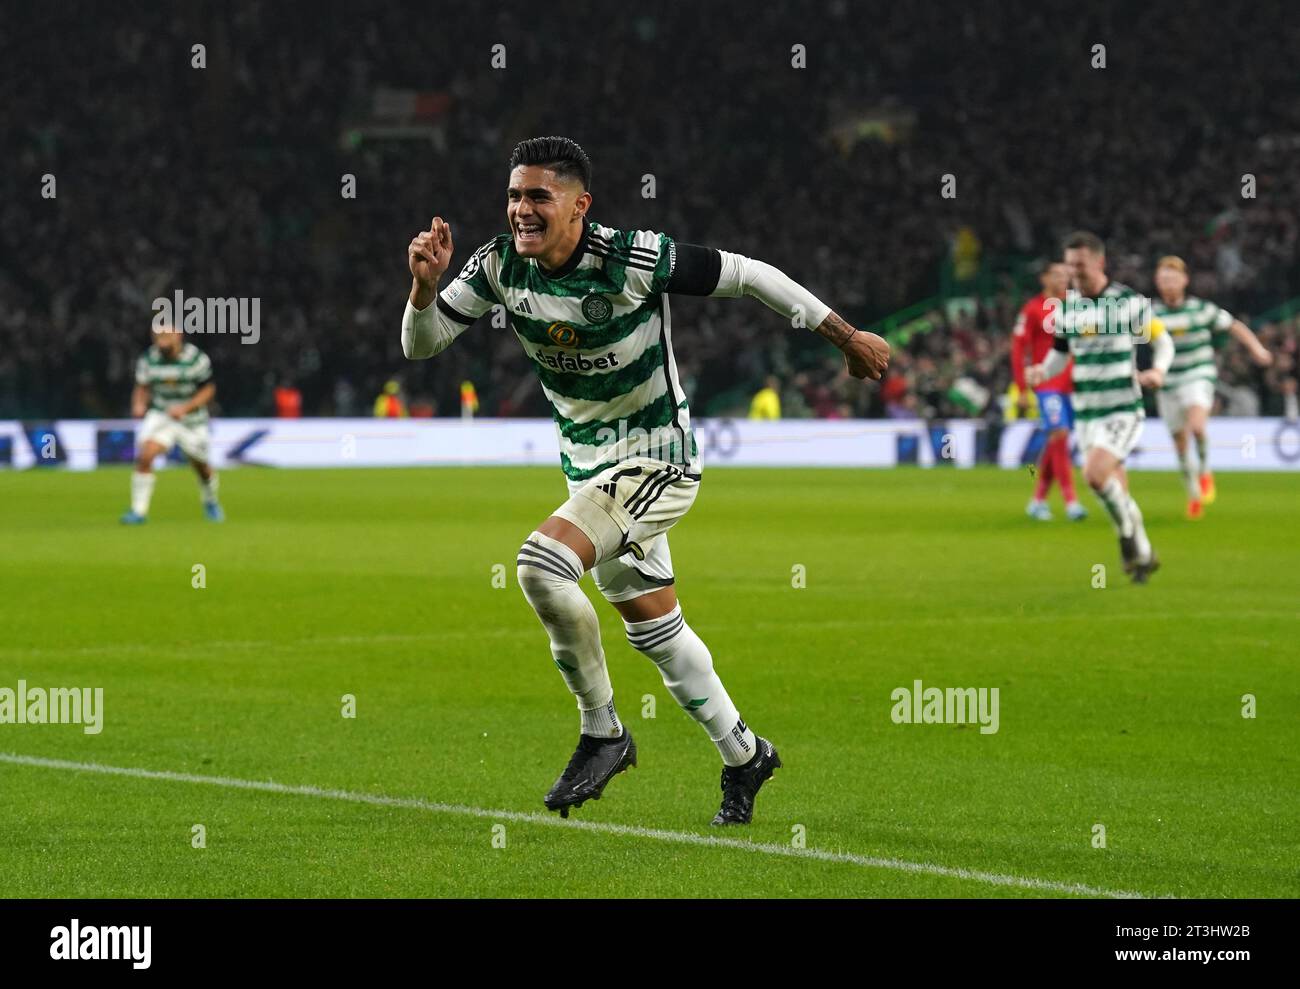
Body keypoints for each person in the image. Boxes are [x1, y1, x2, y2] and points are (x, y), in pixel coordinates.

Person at [400, 136, 889, 823]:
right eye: (514, 195)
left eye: (539, 196)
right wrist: (423, 290)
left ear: (579, 204)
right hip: (590, 474)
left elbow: (746, 273)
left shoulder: (629, 258)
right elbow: (420, 344)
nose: (521, 210)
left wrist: (843, 333)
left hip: (658, 461)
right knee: (656, 629)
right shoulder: (497, 265)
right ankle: (746, 754)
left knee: (542, 566)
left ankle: (603, 731)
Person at [1027, 232, 1172, 583]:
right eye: (1069, 265)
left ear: (1099, 262)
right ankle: (1143, 550)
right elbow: (1061, 355)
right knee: (1109, 485)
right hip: (1087, 412)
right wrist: (1042, 370)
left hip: (1122, 408)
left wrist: (1158, 369)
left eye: (1080, 265)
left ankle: (1126, 538)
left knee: (1094, 473)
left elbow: (1162, 339)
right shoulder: (1067, 309)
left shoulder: (1128, 302)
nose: (1073, 272)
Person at [1150, 256, 1272, 519]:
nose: (1168, 284)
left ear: (1184, 280)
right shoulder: (1150, 314)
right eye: (1163, 279)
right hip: (1167, 382)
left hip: (1197, 374)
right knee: (1180, 444)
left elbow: (1234, 326)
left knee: (1197, 426)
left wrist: (1257, 349)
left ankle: (1205, 469)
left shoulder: (1201, 309)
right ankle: (1193, 494)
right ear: (1157, 283)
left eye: (1172, 278)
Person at [121, 326, 223, 524]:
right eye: (157, 336)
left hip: (191, 419)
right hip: (162, 415)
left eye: (166, 335)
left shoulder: (196, 359)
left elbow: (208, 390)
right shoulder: (148, 359)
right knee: (146, 455)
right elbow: (142, 387)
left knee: (201, 466)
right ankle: (138, 511)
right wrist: (138, 404)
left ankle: (210, 501)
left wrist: (186, 408)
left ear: (178, 335)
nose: (161, 340)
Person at [1011, 262, 1085, 521]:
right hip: (1047, 384)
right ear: (1044, 278)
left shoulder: (1077, 307)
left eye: (1067, 274)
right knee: (1060, 434)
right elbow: (1019, 348)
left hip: (1074, 384)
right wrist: (1022, 387)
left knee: (1058, 441)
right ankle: (1071, 501)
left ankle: (1038, 500)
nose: (1063, 279)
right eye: (1056, 274)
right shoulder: (1032, 309)